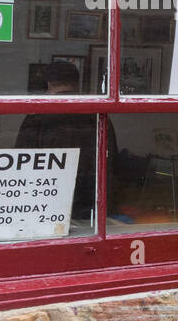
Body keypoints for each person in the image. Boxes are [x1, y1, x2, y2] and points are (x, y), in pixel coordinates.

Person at [16, 61, 117, 224]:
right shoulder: (97, 115)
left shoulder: (37, 116)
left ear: (49, 84)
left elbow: (22, 162)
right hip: (95, 200)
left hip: (50, 199)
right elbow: (112, 158)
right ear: (77, 83)